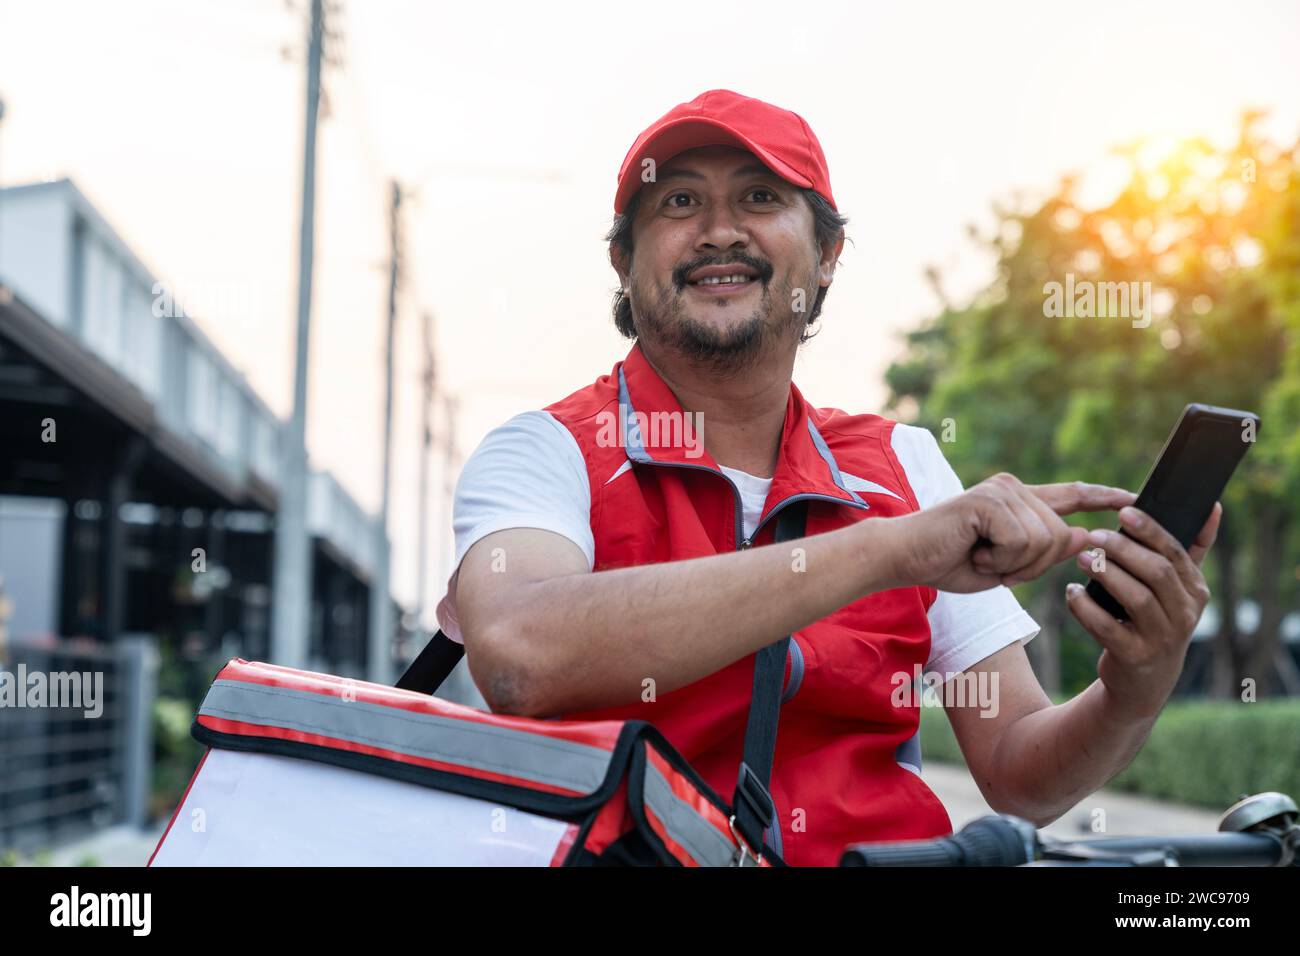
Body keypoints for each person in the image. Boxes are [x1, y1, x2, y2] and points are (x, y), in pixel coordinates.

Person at [435, 90, 1221, 866]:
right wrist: (888, 551)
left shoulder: (905, 463)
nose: (719, 231)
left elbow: (1021, 772)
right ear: (624, 260)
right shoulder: (546, 452)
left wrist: (1134, 686)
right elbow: (517, 656)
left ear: (827, 256)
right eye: (678, 201)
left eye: (761, 197)